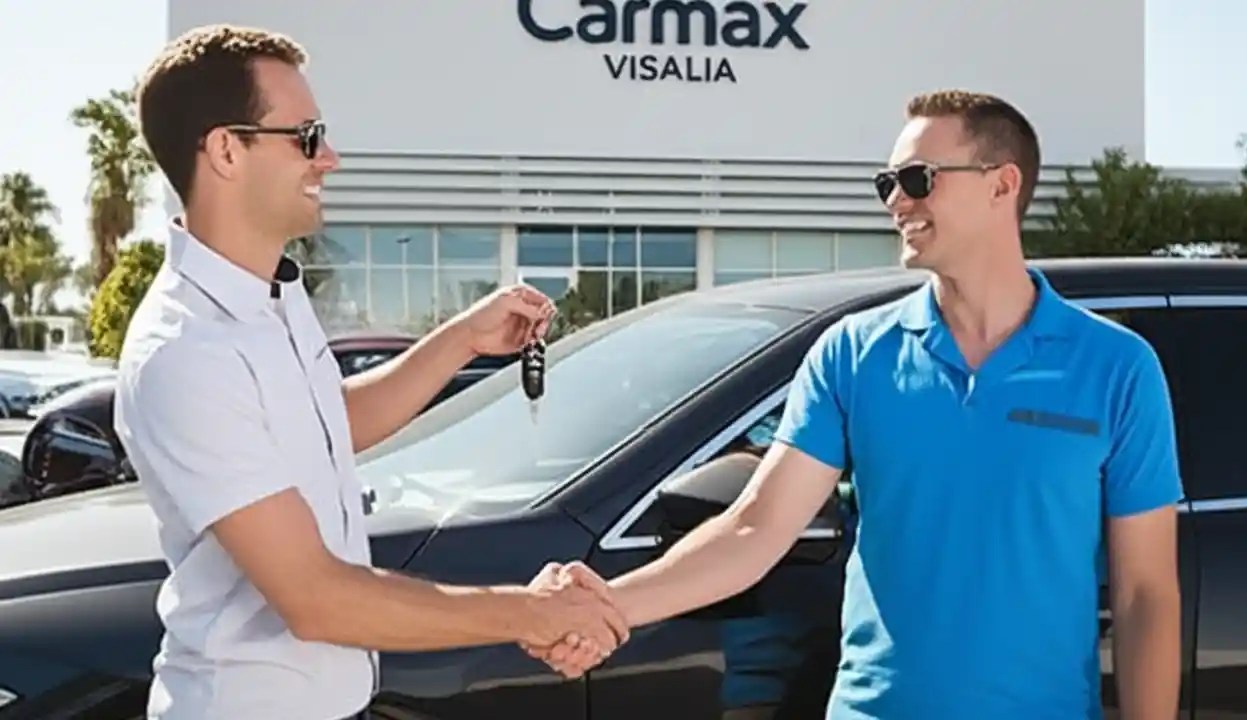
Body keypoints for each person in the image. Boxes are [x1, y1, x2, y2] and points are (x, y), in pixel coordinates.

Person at [526, 90, 1184, 718]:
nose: (896, 200)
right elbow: (756, 529)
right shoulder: (852, 354)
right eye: (887, 183)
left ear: (1001, 185)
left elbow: (1144, 595)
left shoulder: (1116, 368)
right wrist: (609, 603)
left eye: (918, 178)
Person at [114, 24, 626, 720]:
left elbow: (331, 423)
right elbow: (317, 599)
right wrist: (530, 614)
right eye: (306, 136)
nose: (330, 158)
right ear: (226, 150)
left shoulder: (273, 294)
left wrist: (460, 341)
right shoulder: (185, 352)